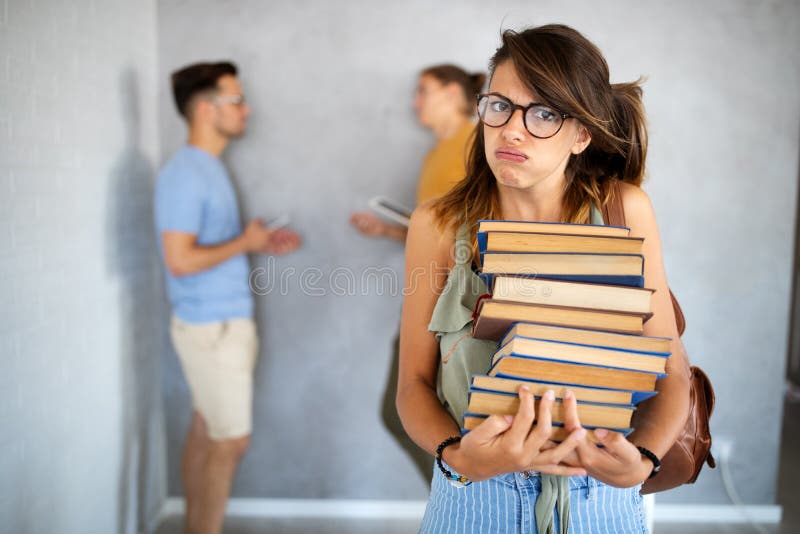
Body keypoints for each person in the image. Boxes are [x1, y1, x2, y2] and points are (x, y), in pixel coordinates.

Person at [397, 25, 690, 533]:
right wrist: (459, 457)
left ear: (582, 135)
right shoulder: (437, 225)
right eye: (499, 106)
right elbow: (412, 386)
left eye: (544, 114)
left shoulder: (625, 210)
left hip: (601, 500)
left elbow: (673, 373)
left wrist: (642, 460)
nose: (512, 130)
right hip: (473, 498)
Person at [155, 61, 301, 534]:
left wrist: (253, 241)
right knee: (230, 440)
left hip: (219, 324)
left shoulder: (207, 168)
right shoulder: (185, 173)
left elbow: (204, 248)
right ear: (204, 109)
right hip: (210, 328)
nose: (247, 108)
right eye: (235, 100)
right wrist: (245, 243)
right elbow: (179, 260)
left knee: (207, 429)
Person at [349, 65, 485, 483]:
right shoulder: (435, 154)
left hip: (453, 306)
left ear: (452, 93)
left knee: (417, 411)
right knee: (405, 412)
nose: (415, 102)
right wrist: (392, 229)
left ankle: (459, 491)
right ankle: (457, 491)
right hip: (426, 298)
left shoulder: (475, 144)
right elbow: (438, 232)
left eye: (423, 91)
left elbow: (479, 230)